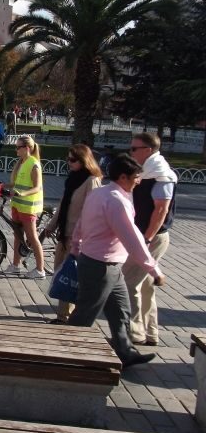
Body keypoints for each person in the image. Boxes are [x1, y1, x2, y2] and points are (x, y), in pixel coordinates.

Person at [68, 154, 164, 367]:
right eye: (136, 177)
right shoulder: (116, 201)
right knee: (85, 313)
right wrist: (153, 270)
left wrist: (76, 245)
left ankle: (125, 351)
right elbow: (132, 238)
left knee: (121, 310)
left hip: (108, 264)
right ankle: (65, 353)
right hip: (100, 266)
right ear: (123, 177)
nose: (139, 181)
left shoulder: (100, 193)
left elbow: (81, 223)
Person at [124, 132, 177, 346]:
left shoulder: (162, 174)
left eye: (134, 149)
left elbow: (161, 210)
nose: (131, 152)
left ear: (148, 150)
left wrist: (146, 239)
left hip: (152, 238)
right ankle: (150, 333)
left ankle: (133, 335)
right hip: (144, 236)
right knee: (146, 286)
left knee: (129, 283)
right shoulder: (147, 172)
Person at [43, 144, 102, 322]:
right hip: (64, 232)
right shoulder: (72, 178)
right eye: (68, 159)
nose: (69, 163)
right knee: (61, 273)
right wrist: (51, 226)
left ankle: (67, 315)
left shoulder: (92, 180)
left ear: (84, 160)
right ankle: (63, 314)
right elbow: (63, 205)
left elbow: (94, 210)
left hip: (79, 236)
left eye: (72, 160)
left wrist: (84, 235)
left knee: (72, 275)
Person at [3, 135, 45, 279]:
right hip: (17, 205)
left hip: (28, 207)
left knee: (32, 238)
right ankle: (16, 265)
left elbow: (37, 187)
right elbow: (16, 184)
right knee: (17, 236)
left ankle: (40, 270)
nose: (16, 150)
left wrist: (22, 193)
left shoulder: (34, 164)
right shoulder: (21, 162)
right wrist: (2, 185)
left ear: (26, 148)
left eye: (18, 147)